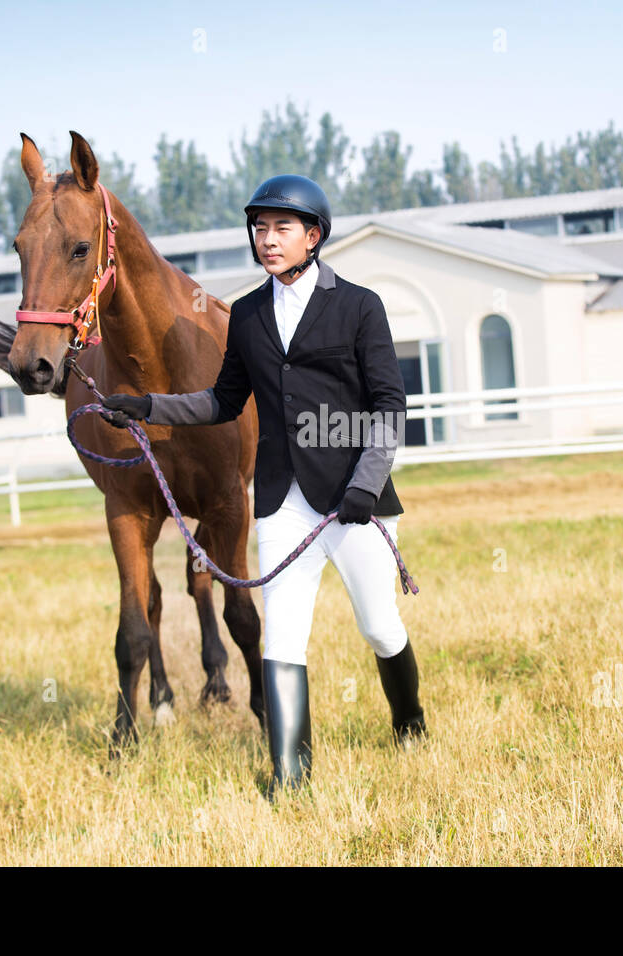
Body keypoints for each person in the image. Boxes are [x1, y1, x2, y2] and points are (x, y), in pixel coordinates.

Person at [101, 174, 427, 800]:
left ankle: (408, 720)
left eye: (281, 228)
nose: (267, 239)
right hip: (282, 501)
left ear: (314, 236)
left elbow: (389, 405)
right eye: (259, 228)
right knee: (282, 634)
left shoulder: (360, 306)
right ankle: (290, 771)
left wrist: (365, 483)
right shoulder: (246, 313)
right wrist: (146, 405)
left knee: (380, 625)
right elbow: (222, 401)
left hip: (357, 501)